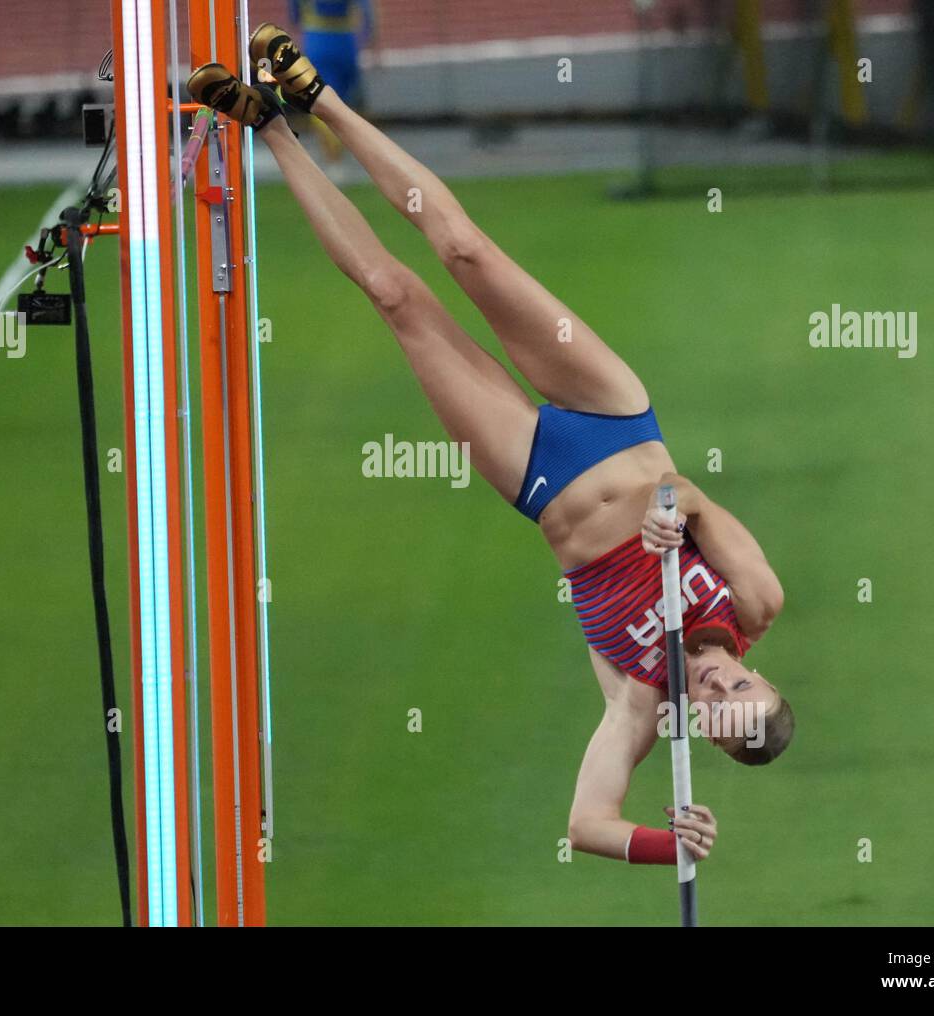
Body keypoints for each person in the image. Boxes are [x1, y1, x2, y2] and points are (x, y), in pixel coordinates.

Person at [190, 24, 795, 872]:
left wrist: (670, 846)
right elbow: (694, 495)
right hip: (616, 418)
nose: (716, 689)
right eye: (739, 687)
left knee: (397, 296)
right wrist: (669, 509)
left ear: (705, 734)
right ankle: (316, 95)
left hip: (540, 477)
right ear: (761, 678)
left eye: (715, 710)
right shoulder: (755, 601)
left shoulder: (636, 701)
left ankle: (269, 128)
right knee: (466, 249)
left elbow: (585, 823)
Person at [286, 1, 372, 172]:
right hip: (345, 38)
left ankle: (332, 156)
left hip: (317, 36)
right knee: (345, 99)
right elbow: (367, 10)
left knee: (319, 98)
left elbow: (295, 14)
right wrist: (369, 36)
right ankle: (345, 152)